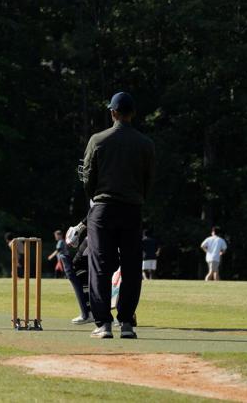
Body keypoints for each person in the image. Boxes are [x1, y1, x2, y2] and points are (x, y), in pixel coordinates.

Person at [80, 91, 155, 339]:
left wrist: (95, 198)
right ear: (132, 114)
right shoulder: (145, 144)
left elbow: (88, 177)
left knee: (100, 264)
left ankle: (103, 323)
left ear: (112, 112)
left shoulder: (98, 140)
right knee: (132, 266)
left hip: (103, 208)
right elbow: (148, 180)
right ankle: (126, 323)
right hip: (132, 209)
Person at [54, 225, 93, 324]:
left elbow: (97, 211)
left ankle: (89, 314)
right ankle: (91, 313)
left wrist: (79, 227)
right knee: (82, 273)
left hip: (100, 235)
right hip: (104, 235)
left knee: (75, 270)